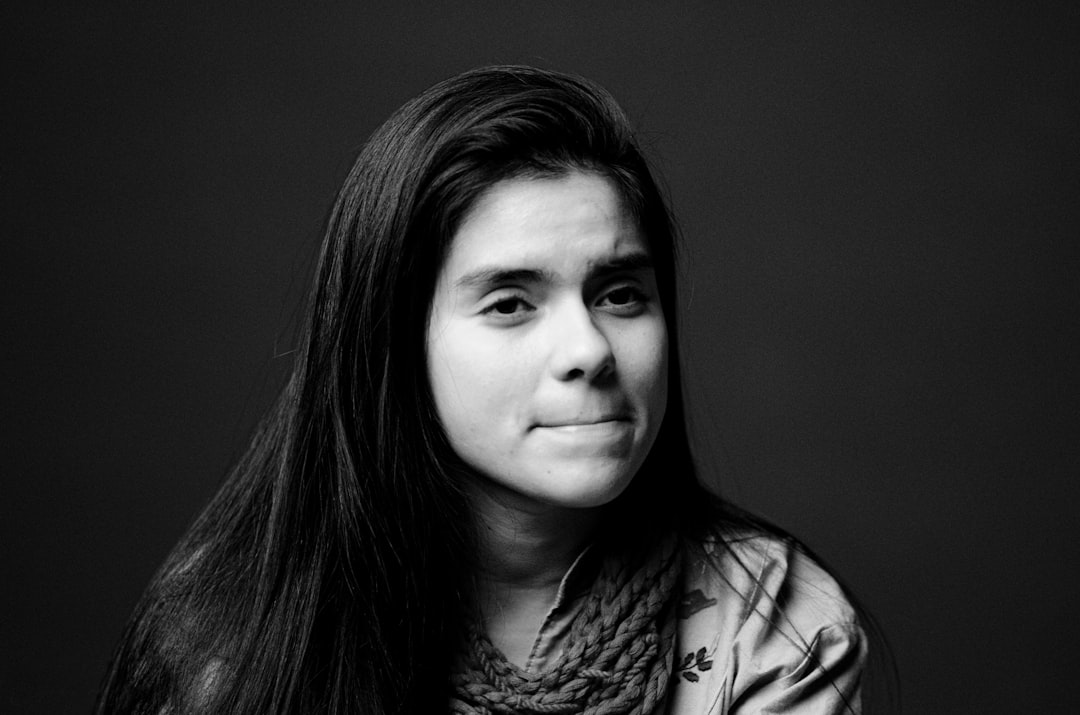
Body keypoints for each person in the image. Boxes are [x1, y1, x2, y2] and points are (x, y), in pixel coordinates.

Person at [96, 65, 889, 714]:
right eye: (511, 303)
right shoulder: (231, 638)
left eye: (619, 294)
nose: (589, 350)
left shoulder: (774, 625)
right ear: (393, 343)